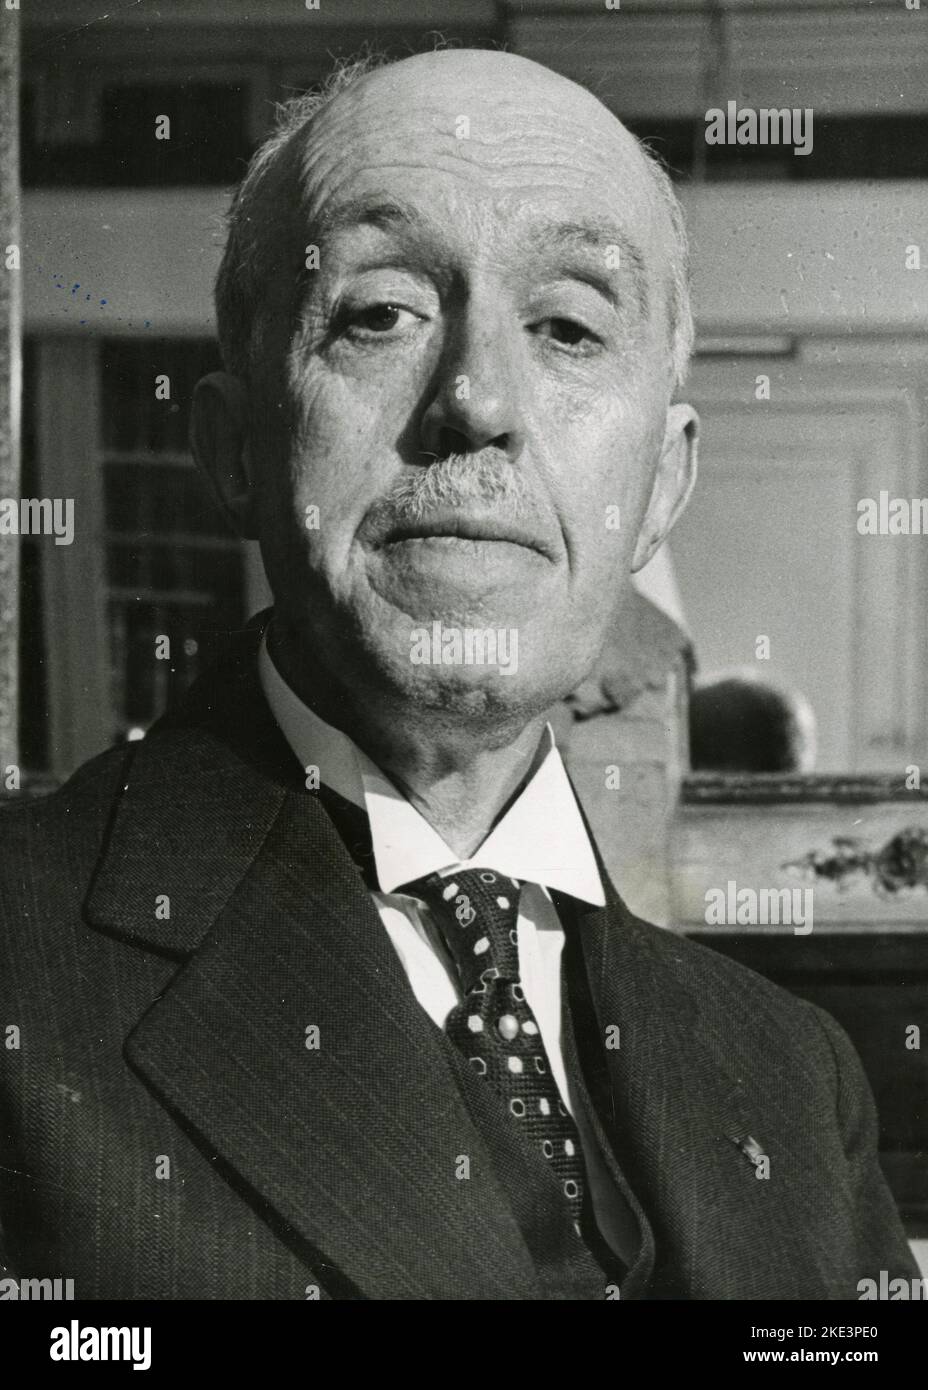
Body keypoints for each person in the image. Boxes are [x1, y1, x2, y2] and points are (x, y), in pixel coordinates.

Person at [0, 48, 917, 1301]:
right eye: (378, 313)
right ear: (234, 447)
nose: (478, 399)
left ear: (660, 486)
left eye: (569, 325)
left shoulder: (796, 1077)